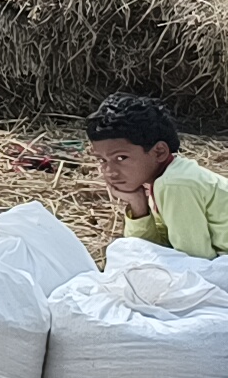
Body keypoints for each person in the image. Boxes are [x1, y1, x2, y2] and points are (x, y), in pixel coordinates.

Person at [88, 92, 228, 259]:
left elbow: (194, 261)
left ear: (159, 152)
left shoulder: (175, 184)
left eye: (121, 158)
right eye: (102, 160)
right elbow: (156, 247)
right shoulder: (167, 178)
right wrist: (137, 204)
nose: (109, 171)